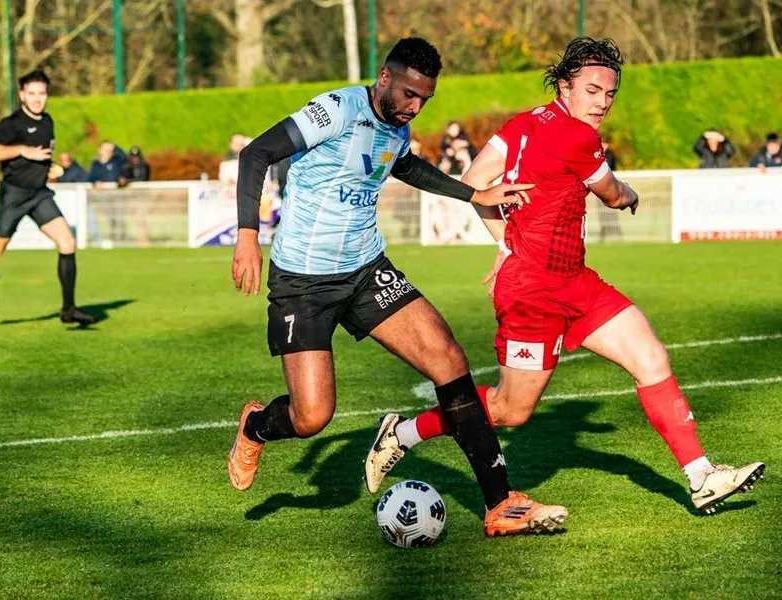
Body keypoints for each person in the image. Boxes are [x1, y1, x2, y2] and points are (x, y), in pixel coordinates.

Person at [365, 37, 764, 515]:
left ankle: (702, 476)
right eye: (592, 90)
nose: (601, 102)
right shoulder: (578, 138)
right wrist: (628, 194)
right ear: (564, 86)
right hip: (532, 291)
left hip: (574, 279)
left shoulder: (525, 122)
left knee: (650, 356)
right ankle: (404, 432)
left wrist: (504, 242)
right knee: (512, 410)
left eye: (609, 94)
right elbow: (613, 195)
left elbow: (473, 181)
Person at [228, 37, 567, 536]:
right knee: (312, 416)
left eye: (424, 99)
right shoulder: (336, 110)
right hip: (303, 281)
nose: (414, 106)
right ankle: (257, 425)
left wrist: (477, 192)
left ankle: (501, 503)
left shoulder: (396, 127)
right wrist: (248, 235)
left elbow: (404, 166)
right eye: (409, 93)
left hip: (366, 270)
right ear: (384, 77)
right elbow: (256, 154)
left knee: (448, 358)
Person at [0, 70, 96, 325]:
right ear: (22, 95)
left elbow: (42, 156)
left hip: (39, 194)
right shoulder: (11, 123)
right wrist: (22, 150)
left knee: (68, 243)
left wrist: (50, 170)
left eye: (42, 93)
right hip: (14, 195)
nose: (38, 99)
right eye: (32, 94)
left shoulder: (47, 121)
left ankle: (69, 309)